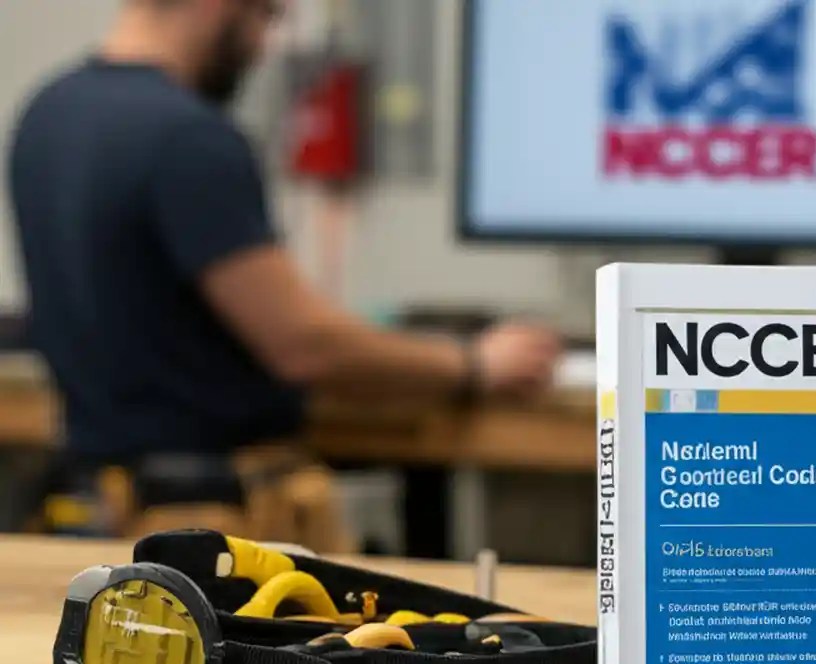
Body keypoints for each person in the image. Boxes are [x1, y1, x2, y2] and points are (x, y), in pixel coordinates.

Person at [5, 0, 562, 546]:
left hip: (96, 510)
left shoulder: (47, 115)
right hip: (209, 528)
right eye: (264, 15)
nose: (263, 45)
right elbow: (302, 344)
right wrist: (473, 364)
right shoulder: (188, 138)